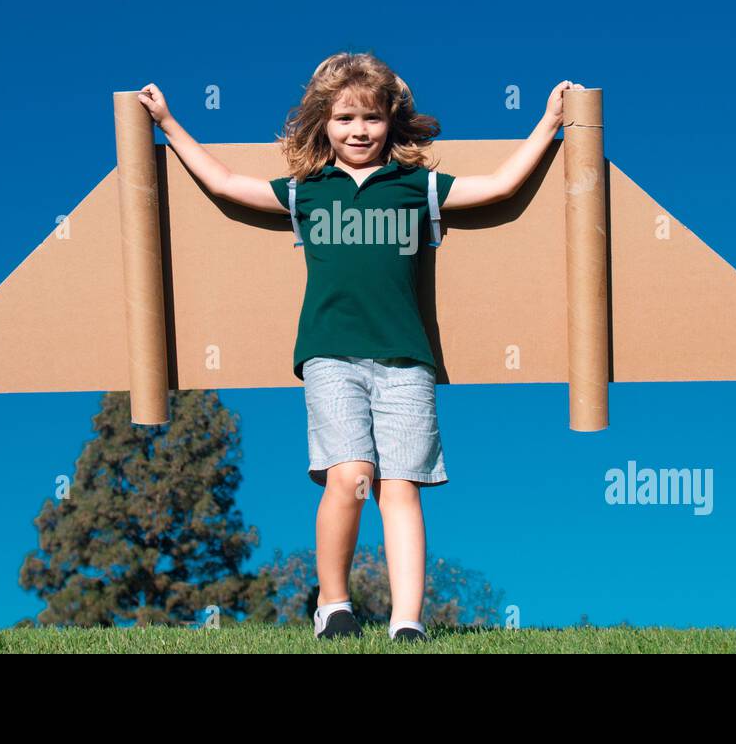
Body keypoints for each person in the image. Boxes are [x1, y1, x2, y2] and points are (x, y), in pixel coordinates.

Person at [138, 52, 579, 642]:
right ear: (324, 123)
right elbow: (223, 183)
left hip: (406, 361)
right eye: (345, 118)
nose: (358, 130)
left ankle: (407, 622)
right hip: (331, 355)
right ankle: (334, 605)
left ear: (390, 123)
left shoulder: (415, 186)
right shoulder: (308, 191)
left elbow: (500, 185)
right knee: (350, 477)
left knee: (401, 488)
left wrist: (549, 122)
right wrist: (168, 123)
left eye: (371, 118)